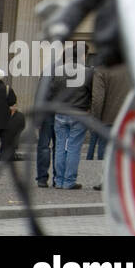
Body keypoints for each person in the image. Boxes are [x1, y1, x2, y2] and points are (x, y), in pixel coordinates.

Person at [87, 62, 133, 190]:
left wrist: (95, 119)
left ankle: (106, 180)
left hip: (108, 119)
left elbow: (97, 99)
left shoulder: (102, 69)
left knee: (106, 151)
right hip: (127, 118)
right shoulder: (133, 68)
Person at [52, 55, 91, 189]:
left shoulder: (57, 72)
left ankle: (58, 180)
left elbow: (52, 92)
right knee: (74, 147)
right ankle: (69, 181)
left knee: (60, 147)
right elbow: (91, 92)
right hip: (79, 112)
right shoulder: (87, 72)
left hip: (60, 112)